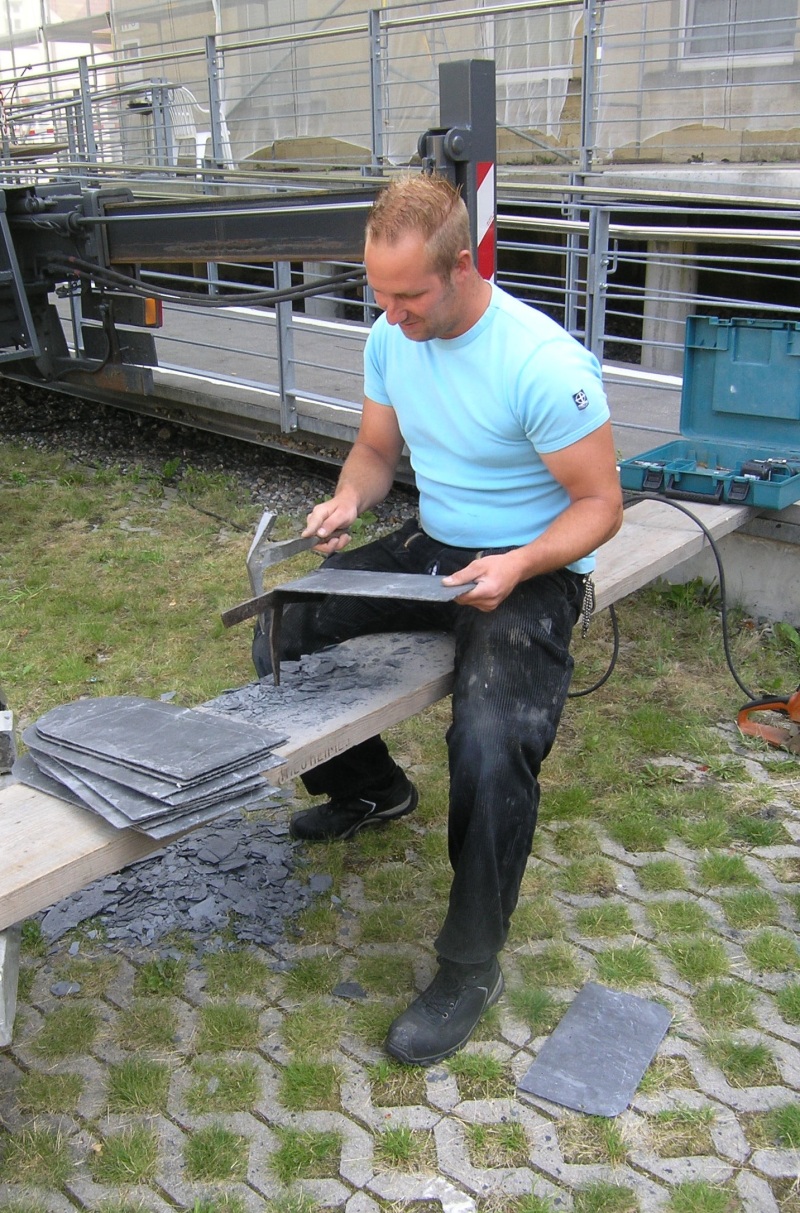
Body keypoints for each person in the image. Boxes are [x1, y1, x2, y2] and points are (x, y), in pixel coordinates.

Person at [253, 173, 623, 1066]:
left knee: (494, 737)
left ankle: (470, 962)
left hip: (528, 569)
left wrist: (523, 562)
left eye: (409, 294)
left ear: (464, 266)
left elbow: (601, 503)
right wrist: (348, 499)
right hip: (436, 545)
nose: (392, 314)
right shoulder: (392, 336)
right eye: (379, 294)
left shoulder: (541, 363)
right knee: (284, 626)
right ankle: (371, 789)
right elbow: (378, 449)